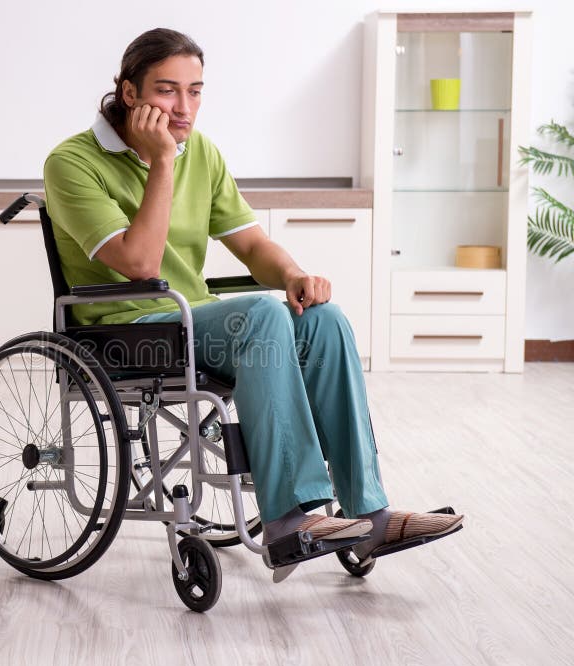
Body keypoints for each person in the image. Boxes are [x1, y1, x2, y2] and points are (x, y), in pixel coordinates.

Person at [43, 27, 463, 580]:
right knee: (263, 314)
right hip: (125, 332)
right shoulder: (71, 162)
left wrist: (292, 274)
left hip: (196, 323)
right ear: (129, 94)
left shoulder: (204, 153)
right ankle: (288, 522)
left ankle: (369, 513)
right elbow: (141, 263)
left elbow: (252, 245)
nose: (184, 107)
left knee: (323, 318)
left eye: (195, 91)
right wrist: (162, 162)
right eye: (167, 91)